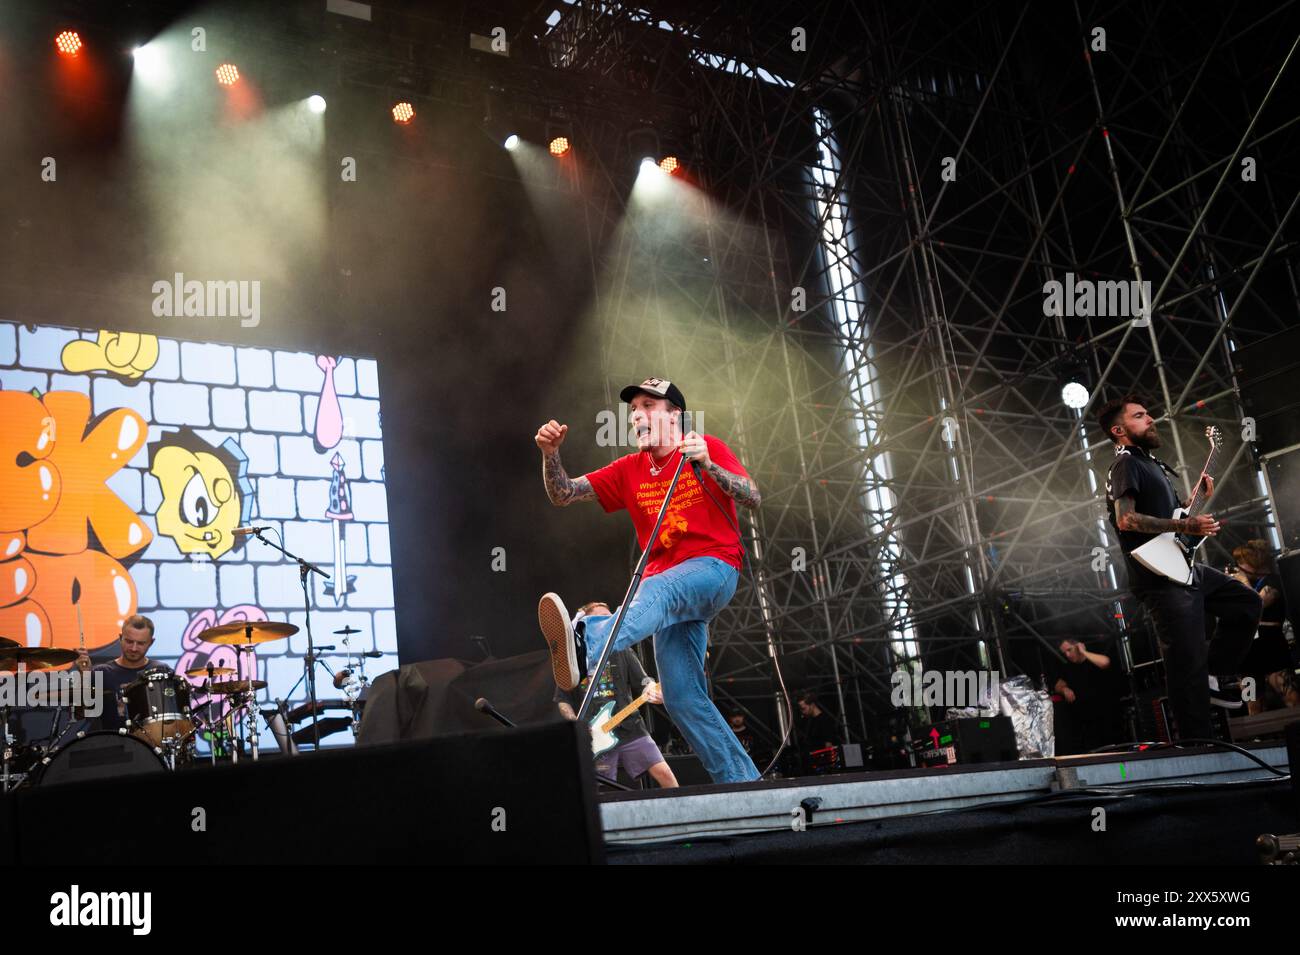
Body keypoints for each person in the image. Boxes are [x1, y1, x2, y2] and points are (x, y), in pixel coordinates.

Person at [533, 376, 762, 784]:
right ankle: (744, 783)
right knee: (682, 698)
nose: (637, 415)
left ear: (675, 415)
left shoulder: (705, 448)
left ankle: (587, 641)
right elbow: (564, 493)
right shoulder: (629, 469)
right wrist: (551, 454)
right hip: (667, 592)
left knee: (657, 589)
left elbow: (751, 496)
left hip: (713, 568)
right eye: (634, 408)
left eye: (649, 406)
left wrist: (708, 464)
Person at [1099, 395, 1260, 740]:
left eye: (1147, 413)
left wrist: (1189, 504)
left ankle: (1214, 673)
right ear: (1119, 430)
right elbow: (1126, 519)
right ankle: (1195, 749)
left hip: (1182, 568)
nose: (1151, 418)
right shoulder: (1126, 464)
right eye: (1140, 416)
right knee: (1185, 666)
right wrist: (1186, 526)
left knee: (1246, 603)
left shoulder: (1151, 463)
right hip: (1159, 578)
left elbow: (1169, 516)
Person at [555, 601, 678, 788]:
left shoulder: (622, 650)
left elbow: (643, 680)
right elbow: (563, 700)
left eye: (610, 618)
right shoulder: (573, 659)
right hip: (594, 735)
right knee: (601, 790)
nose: (608, 622)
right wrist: (576, 724)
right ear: (586, 623)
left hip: (631, 728)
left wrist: (651, 689)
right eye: (601, 618)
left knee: (665, 774)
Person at [73, 614, 173, 733]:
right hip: (112, 745)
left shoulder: (161, 670)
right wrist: (84, 676)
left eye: (141, 643)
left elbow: (173, 716)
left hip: (151, 745)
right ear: (120, 638)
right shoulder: (101, 672)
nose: (134, 648)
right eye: (129, 641)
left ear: (151, 642)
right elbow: (80, 714)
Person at [1230, 540, 1298, 712]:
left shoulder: (1273, 582)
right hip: (1248, 656)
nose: (1239, 567)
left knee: (1289, 695)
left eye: (1241, 562)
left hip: (1271, 648)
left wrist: (1243, 580)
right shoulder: (1244, 587)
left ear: (1254, 562)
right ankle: (1257, 737)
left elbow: (1256, 603)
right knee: (1252, 701)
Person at [1051, 638, 1123, 754]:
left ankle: (1122, 772)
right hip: (1087, 723)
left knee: (1116, 755)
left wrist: (1084, 652)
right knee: (1096, 756)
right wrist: (1064, 689)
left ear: (1078, 646)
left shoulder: (1093, 658)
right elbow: (1058, 685)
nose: (1068, 655)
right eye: (1065, 653)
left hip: (1108, 717)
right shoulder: (1068, 668)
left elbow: (1105, 662)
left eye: (1069, 650)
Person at [797, 693, 838, 770]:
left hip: (823, 766)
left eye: (804, 708)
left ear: (812, 705)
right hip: (814, 764)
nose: (802, 712)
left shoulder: (824, 720)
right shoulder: (810, 721)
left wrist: (828, 766)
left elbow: (829, 745)